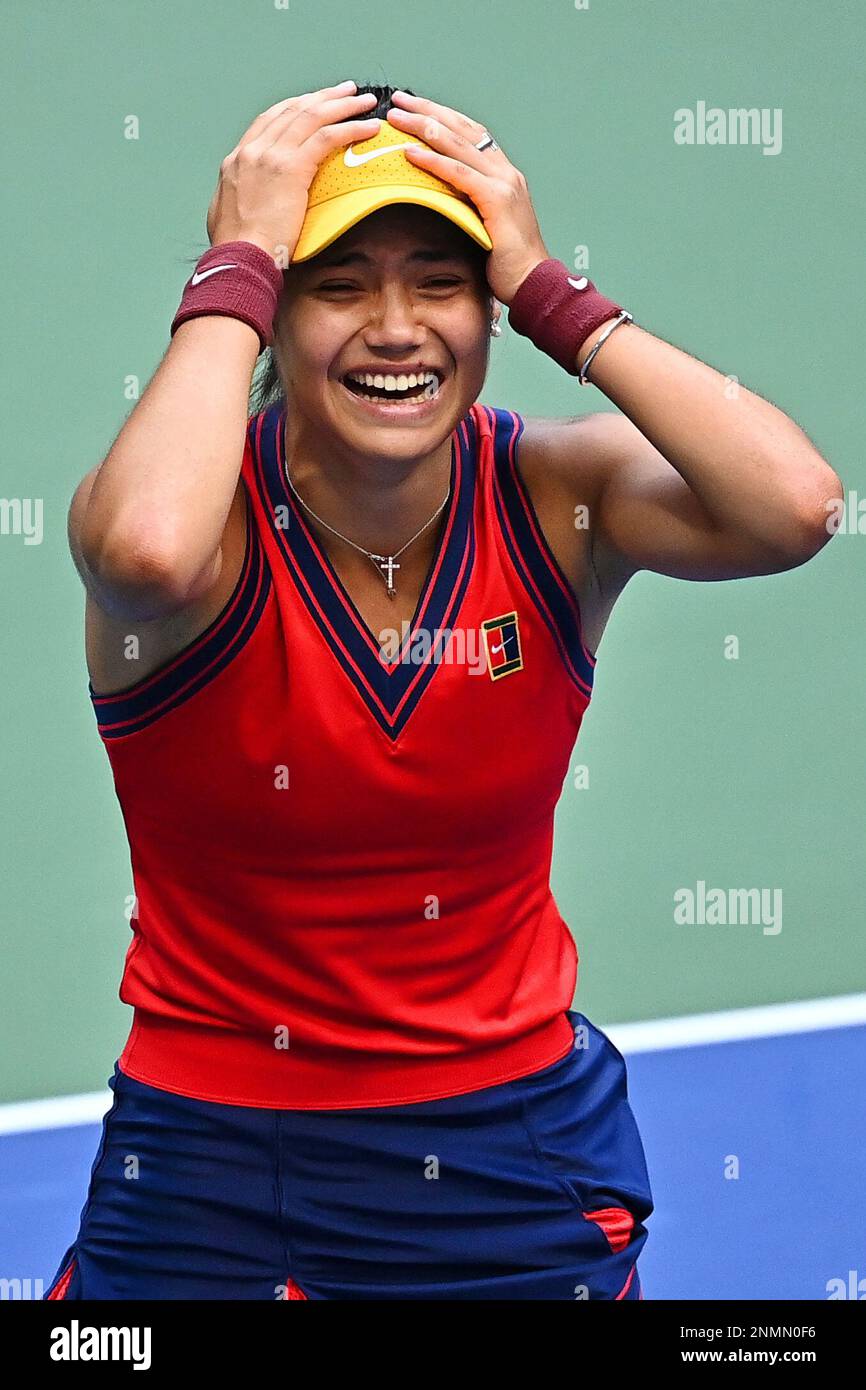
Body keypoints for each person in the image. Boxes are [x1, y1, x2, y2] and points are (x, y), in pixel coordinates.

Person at [45, 79, 842, 1301]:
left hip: (504, 1151)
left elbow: (793, 508)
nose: (397, 325)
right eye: (337, 284)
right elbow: (142, 549)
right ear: (271, 310)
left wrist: (552, 295)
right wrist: (236, 256)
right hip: (208, 1154)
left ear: (488, 307)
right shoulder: (198, 535)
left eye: (439, 281)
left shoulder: (554, 500)